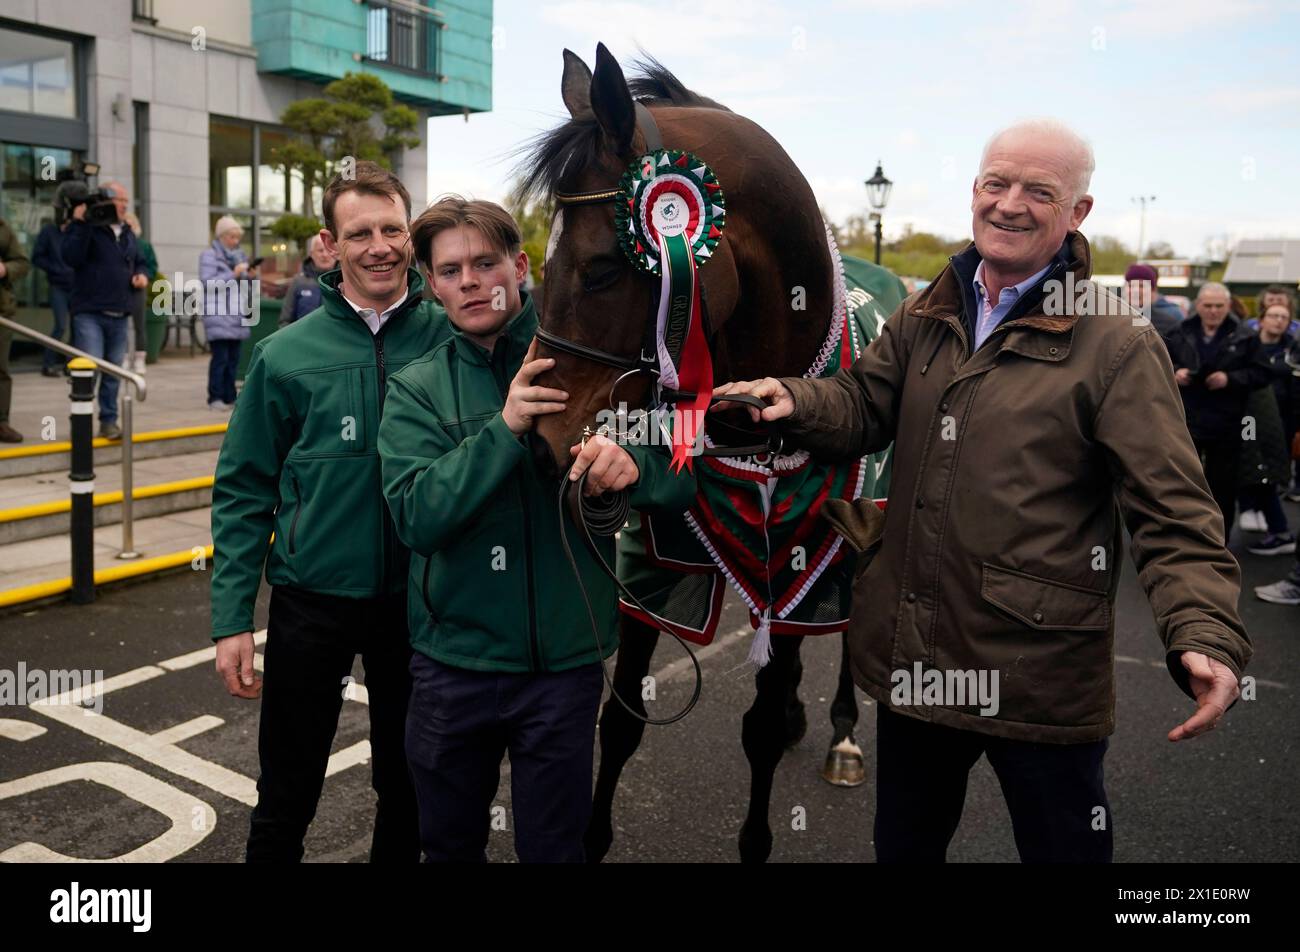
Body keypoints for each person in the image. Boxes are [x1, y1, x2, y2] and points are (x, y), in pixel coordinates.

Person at [715, 119, 1252, 863]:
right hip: (919, 667)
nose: (1011, 204)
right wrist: (794, 401)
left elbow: (1174, 511)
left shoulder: (1118, 343)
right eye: (997, 184)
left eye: (1041, 191)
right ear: (974, 192)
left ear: (1078, 214)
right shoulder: (929, 310)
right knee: (905, 850)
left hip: (1036, 680)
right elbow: (863, 404)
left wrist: (1204, 632)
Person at [378, 197, 694, 862]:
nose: (469, 281)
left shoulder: (598, 362)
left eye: (485, 262)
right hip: (450, 669)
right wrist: (504, 430)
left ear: (521, 266)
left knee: (555, 849)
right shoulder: (416, 387)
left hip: (564, 668)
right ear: (431, 285)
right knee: (448, 848)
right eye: (450, 269)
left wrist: (630, 465)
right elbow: (417, 517)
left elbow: (684, 471)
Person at [209, 161, 447, 863]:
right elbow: (243, 491)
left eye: (392, 229)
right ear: (329, 245)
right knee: (286, 790)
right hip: (311, 603)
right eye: (360, 232)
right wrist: (232, 622)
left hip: (423, 602)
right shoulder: (284, 356)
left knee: (407, 788)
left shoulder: (455, 339)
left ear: (411, 235)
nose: (379, 245)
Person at [1163, 282, 1271, 535]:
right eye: (1208, 306)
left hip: (1228, 420)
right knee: (1183, 480)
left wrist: (1230, 379)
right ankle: (1184, 534)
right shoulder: (1179, 331)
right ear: (1198, 305)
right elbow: (1159, 363)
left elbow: (1262, 373)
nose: (1213, 311)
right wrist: (1176, 372)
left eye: (1219, 306)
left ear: (1228, 306)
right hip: (1187, 418)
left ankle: (1219, 538)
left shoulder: (1245, 335)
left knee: (1223, 484)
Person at [60, 180, 150, 440]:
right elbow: (71, 257)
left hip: (120, 313)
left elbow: (141, 261)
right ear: (105, 201)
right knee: (88, 370)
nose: (123, 205)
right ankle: (81, 419)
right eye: (119, 200)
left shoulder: (128, 232)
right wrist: (81, 223)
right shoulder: (88, 227)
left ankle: (108, 421)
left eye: (125, 201)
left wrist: (142, 275)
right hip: (90, 312)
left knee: (113, 373)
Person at [1239, 300, 1296, 556]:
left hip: (1280, 423)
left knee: (1266, 476)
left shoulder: (1292, 351)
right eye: (1274, 315)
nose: (1279, 320)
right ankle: (1260, 517)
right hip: (1247, 419)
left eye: (1284, 316)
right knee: (1252, 472)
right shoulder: (1247, 347)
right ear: (1261, 319)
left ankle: (1279, 530)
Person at [199, 217, 256, 411]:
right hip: (218, 314)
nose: (235, 241)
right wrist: (233, 274)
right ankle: (215, 397)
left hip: (236, 314)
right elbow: (208, 283)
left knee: (233, 359)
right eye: (232, 237)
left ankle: (230, 397)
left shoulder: (239, 256)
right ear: (222, 236)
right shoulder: (209, 255)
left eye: (237, 237)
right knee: (220, 359)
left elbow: (244, 286)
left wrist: (249, 275)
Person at [0, 215, 32, 443]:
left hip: (1, 313)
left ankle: (1, 423)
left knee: (0, 370)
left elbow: (22, 262)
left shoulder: (3, 227)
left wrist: (4, 269)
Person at [31, 217, 74, 378]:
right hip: (58, 286)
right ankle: (48, 364)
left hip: (77, 287)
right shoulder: (49, 232)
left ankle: (70, 365)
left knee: (77, 328)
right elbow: (37, 257)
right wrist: (55, 269)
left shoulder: (77, 231)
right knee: (61, 326)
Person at [124, 212, 157, 375]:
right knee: (121, 323)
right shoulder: (119, 243)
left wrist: (144, 276)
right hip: (121, 288)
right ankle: (123, 357)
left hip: (138, 288)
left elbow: (151, 265)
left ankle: (139, 358)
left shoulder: (143, 245)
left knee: (139, 324)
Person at [279, 234, 336, 326]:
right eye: (320, 250)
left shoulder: (345, 281)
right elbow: (285, 321)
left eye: (328, 250)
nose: (325, 255)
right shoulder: (298, 282)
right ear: (311, 254)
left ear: (335, 252)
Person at [1122, 262, 1183, 337]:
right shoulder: (1115, 320)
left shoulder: (1169, 324)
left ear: (1152, 291)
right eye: (1131, 285)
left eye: (1141, 286)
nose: (1136, 290)